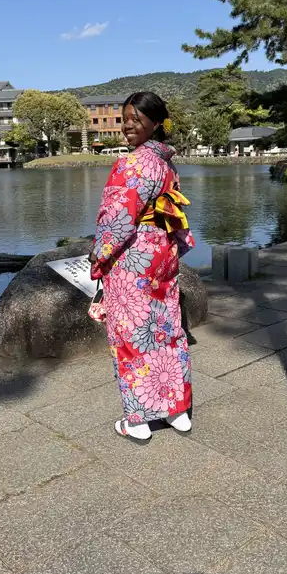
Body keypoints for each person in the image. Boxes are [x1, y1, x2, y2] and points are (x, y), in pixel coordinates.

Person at [89, 92, 195, 444]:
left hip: (133, 256)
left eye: (136, 119)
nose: (128, 126)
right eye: (124, 119)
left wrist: (100, 255)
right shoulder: (166, 163)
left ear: (156, 123)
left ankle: (138, 421)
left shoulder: (132, 164)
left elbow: (117, 218)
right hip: (162, 253)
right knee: (166, 328)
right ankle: (176, 410)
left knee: (131, 335)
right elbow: (174, 211)